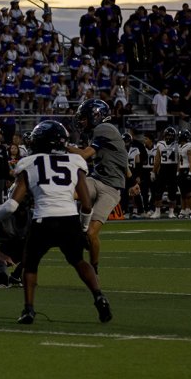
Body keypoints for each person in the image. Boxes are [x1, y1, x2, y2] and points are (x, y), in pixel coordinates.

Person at [0, 120, 112, 324]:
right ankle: (99, 297)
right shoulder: (75, 162)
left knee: (30, 265)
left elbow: (10, 206)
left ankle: (28, 310)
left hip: (43, 219)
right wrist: (84, 228)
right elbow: (86, 205)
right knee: (79, 261)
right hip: (69, 219)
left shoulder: (29, 162)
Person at [66, 99, 131, 274]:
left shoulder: (105, 128)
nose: (81, 122)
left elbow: (85, 155)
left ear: (96, 116)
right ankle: (73, 227)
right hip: (97, 179)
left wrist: (64, 145)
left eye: (84, 118)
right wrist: (132, 182)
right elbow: (125, 165)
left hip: (111, 188)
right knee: (69, 192)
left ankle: (93, 268)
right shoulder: (102, 131)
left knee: (92, 234)